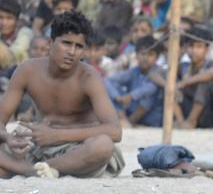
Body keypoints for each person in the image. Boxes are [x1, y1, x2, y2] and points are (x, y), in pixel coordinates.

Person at [0, 10, 124, 178]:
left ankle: (32, 170)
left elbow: (115, 131)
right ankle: (35, 170)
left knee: (103, 146)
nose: (72, 52)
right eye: (66, 43)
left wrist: (56, 135)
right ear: (50, 43)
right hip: (36, 145)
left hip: (76, 149)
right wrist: (8, 138)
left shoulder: (88, 77)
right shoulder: (27, 70)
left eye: (79, 46)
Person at [104, 35, 163, 127]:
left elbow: (151, 88)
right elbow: (107, 80)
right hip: (130, 110)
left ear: (157, 57)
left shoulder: (158, 72)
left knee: (150, 93)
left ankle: (129, 123)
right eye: (142, 53)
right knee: (109, 86)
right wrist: (117, 97)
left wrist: (131, 96)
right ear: (136, 54)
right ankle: (123, 119)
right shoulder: (134, 71)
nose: (145, 58)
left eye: (150, 54)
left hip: (151, 118)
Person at [174, 29, 213, 129]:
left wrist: (185, 82)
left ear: (207, 49)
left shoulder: (211, 64)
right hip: (187, 109)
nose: (194, 51)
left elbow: (212, 73)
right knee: (171, 85)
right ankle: (180, 121)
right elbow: (160, 73)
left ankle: (192, 121)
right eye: (191, 46)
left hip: (209, 114)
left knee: (204, 83)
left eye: (199, 47)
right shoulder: (184, 66)